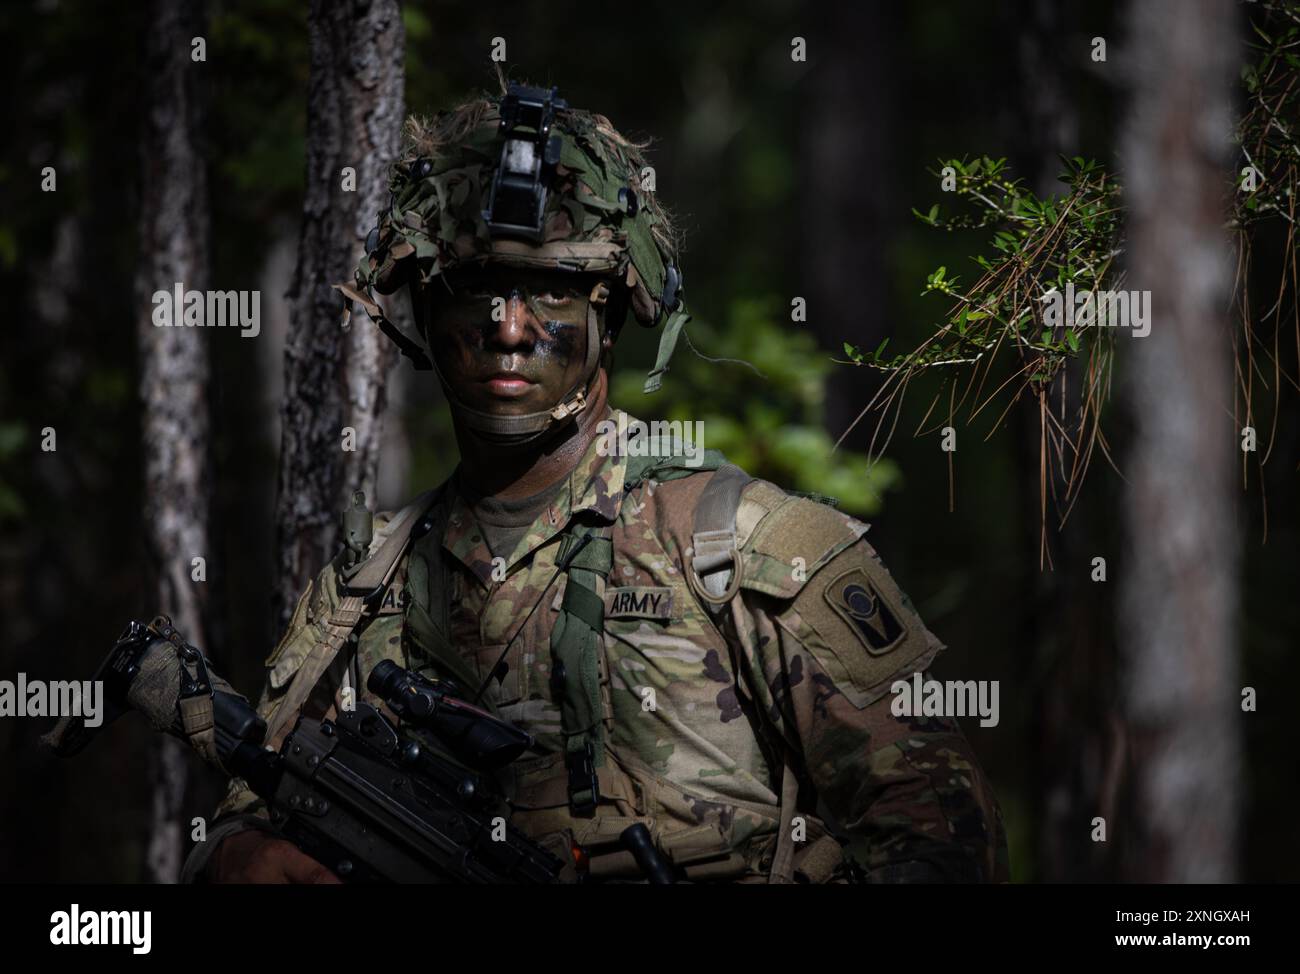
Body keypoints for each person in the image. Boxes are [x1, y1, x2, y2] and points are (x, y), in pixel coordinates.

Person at [187, 83, 1009, 884]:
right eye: (477, 288)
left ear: (609, 311)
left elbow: (942, 830)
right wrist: (236, 855)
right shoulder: (368, 587)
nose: (510, 328)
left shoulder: (747, 545)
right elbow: (250, 805)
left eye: (550, 289)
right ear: (428, 314)